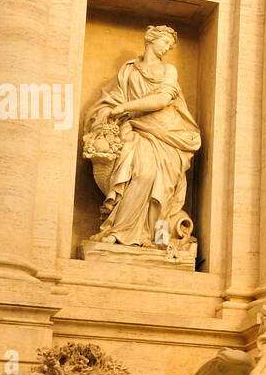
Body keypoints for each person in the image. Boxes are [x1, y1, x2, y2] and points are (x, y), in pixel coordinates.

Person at [81, 26, 201, 248]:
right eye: (164, 42)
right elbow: (112, 99)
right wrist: (109, 112)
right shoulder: (128, 71)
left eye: (170, 46)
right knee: (142, 174)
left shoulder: (169, 71)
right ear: (150, 40)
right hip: (136, 129)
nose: (167, 48)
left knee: (164, 186)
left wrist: (124, 107)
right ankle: (119, 231)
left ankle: (158, 235)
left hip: (167, 132)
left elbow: (162, 101)